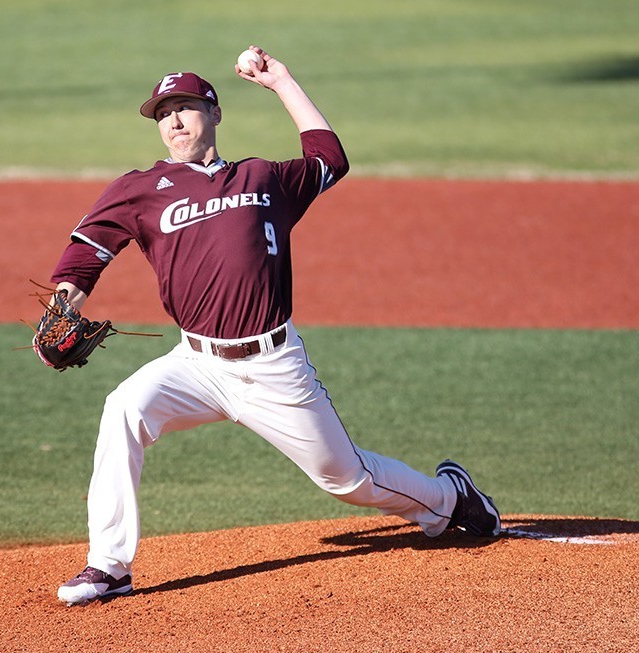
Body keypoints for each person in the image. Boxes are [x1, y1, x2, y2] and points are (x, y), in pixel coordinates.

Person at [47, 46, 501, 607]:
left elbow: (330, 157)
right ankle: (109, 566)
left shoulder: (263, 179)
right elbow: (86, 252)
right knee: (124, 408)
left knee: (347, 480)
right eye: (163, 113)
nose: (173, 120)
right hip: (194, 364)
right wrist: (65, 302)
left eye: (185, 107)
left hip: (273, 364)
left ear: (213, 113)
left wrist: (281, 80)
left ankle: (448, 500)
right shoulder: (139, 189)